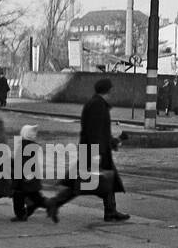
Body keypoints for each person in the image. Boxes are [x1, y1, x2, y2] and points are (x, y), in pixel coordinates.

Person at [46, 78, 129, 223]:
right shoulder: (98, 105)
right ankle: (55, 202)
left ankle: (110, 211)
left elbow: (100, 131)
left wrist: (113, 142)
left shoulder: (96, 103)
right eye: (111, 90)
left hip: (94, 150)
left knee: (105, 179)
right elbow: (95, 132)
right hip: (94, 151)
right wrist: (97, 153)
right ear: (107, 91)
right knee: (84, 183)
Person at [12, 124, 48, 221]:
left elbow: (21, 162)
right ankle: (51, 204)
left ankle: (21, 215)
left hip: (24, 178)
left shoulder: (24, 146)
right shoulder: (32, 146)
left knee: (18, 196)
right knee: (35, 197)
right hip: (31, 178)